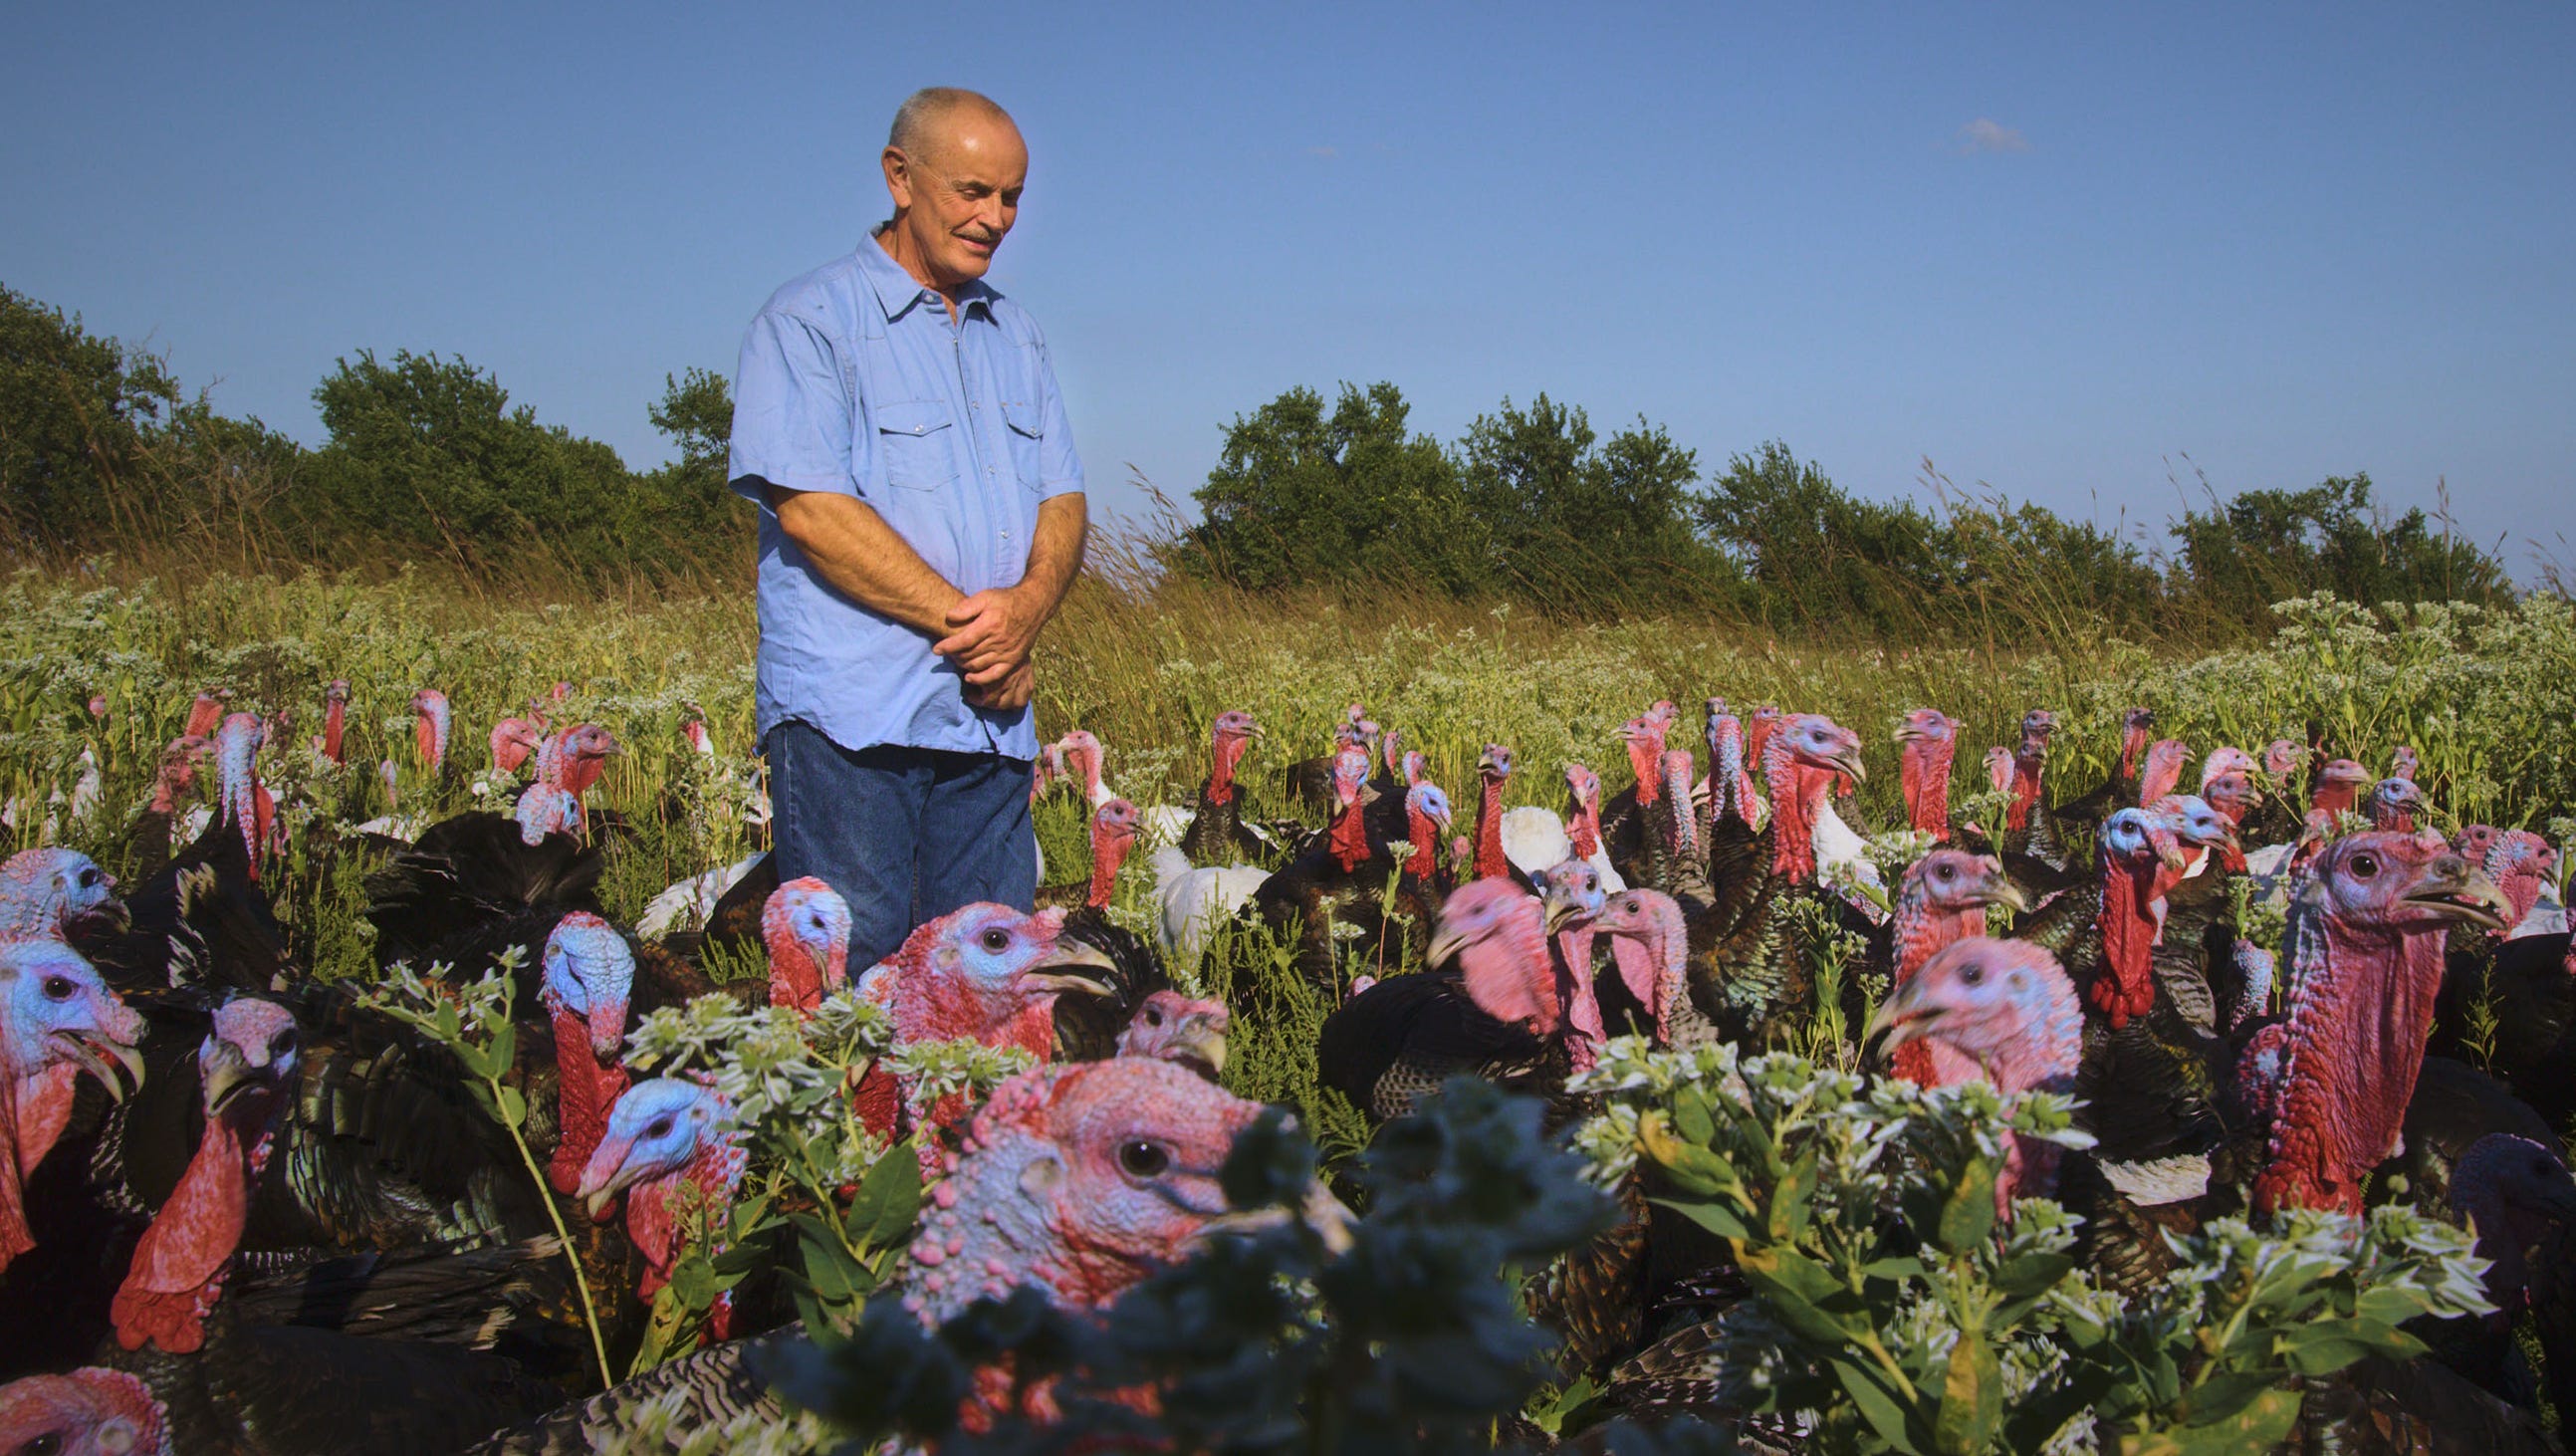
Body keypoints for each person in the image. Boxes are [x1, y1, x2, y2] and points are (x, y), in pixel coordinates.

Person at [727, 87, 1085, 967]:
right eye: (971, 191)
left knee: (984, 973)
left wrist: (1028, 608)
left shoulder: (1018, 336)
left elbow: (1063, 497)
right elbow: (813, 510)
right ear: (899, 177)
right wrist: (978, 630)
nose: (994, 217)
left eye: (1010, 198)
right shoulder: (810, 321)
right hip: (856, 719)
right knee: (858, 967)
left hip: (988, 718)